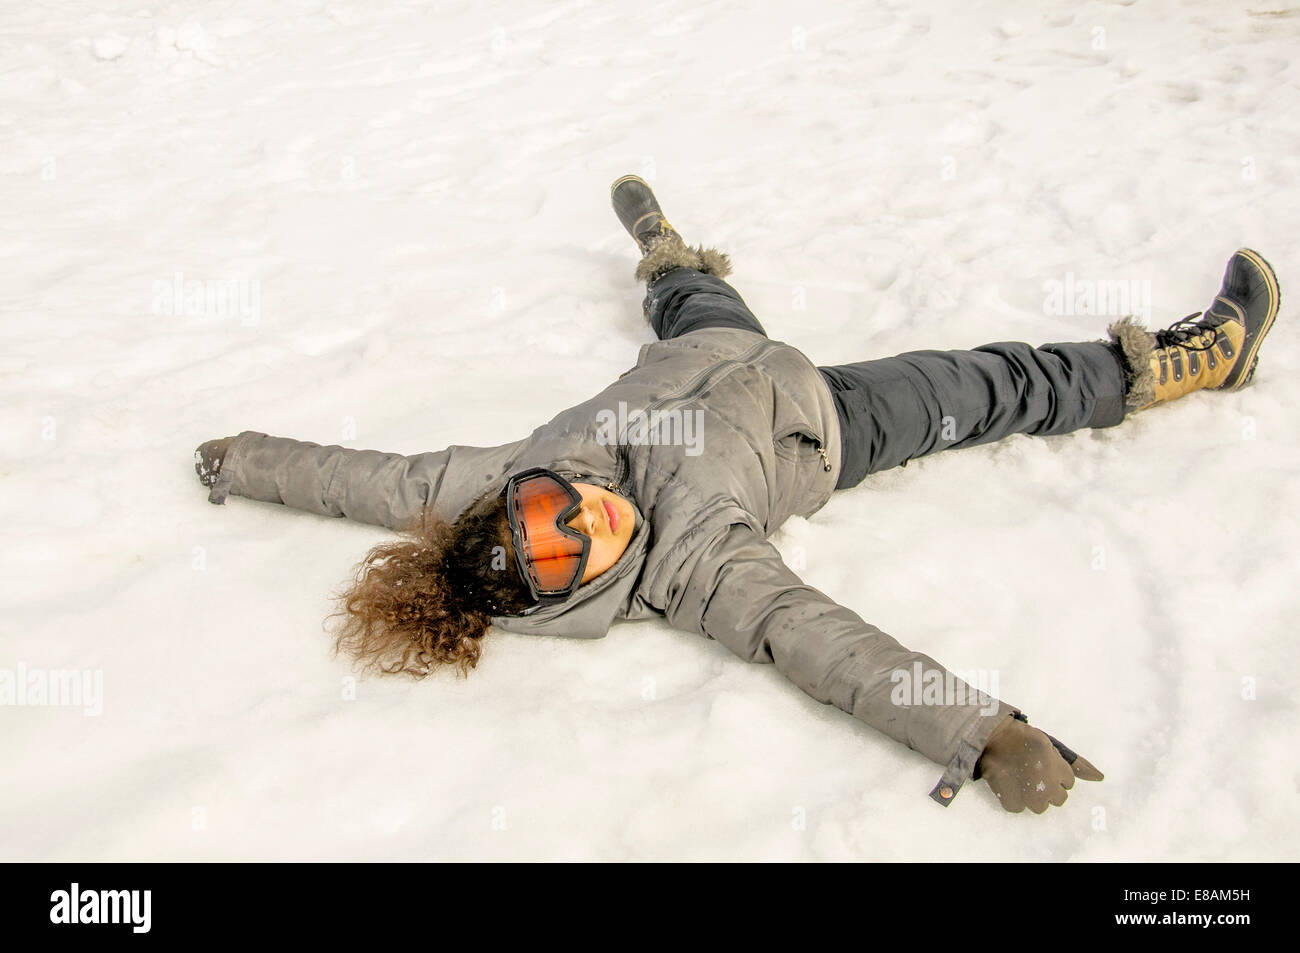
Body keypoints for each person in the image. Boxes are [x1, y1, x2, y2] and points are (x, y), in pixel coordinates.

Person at [194, 176, 1281, 814]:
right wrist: (981, 732)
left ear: (508, 499)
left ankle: (664, 254)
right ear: (572, 593)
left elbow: (356, 478)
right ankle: (1190, 361)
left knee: (700, 300)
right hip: (822, 417)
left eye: (550, 508)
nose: (585, 517)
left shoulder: (490, 477)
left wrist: (241, 457)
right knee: (995, 384)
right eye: (573, 551)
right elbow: (820, 640)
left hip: (715, 346)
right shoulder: (696, 568)